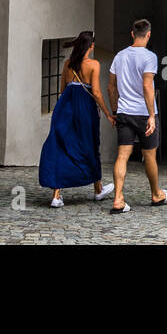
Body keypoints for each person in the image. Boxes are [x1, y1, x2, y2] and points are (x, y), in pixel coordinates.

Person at [38, 30, 115, 208]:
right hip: (85, 110)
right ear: (91, 46)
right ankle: (97, 189)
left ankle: (56, 195)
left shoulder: (67, 64)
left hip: (65, 108)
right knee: (89, 144)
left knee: (60, 145)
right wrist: (107, 113)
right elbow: (96, 92)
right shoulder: (94, 64)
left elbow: (62, 90)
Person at [106, 19, 167, 213]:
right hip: (143, 113)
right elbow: (147, 85)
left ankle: (118, 199)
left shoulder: (119, 56)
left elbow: (111, 87)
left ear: (132, 34)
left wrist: (115, 111)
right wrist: (151, 115)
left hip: (124, 112)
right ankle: (156, 194)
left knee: (122, 156)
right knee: (149, 155)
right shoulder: (149, 57)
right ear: (148, 34)